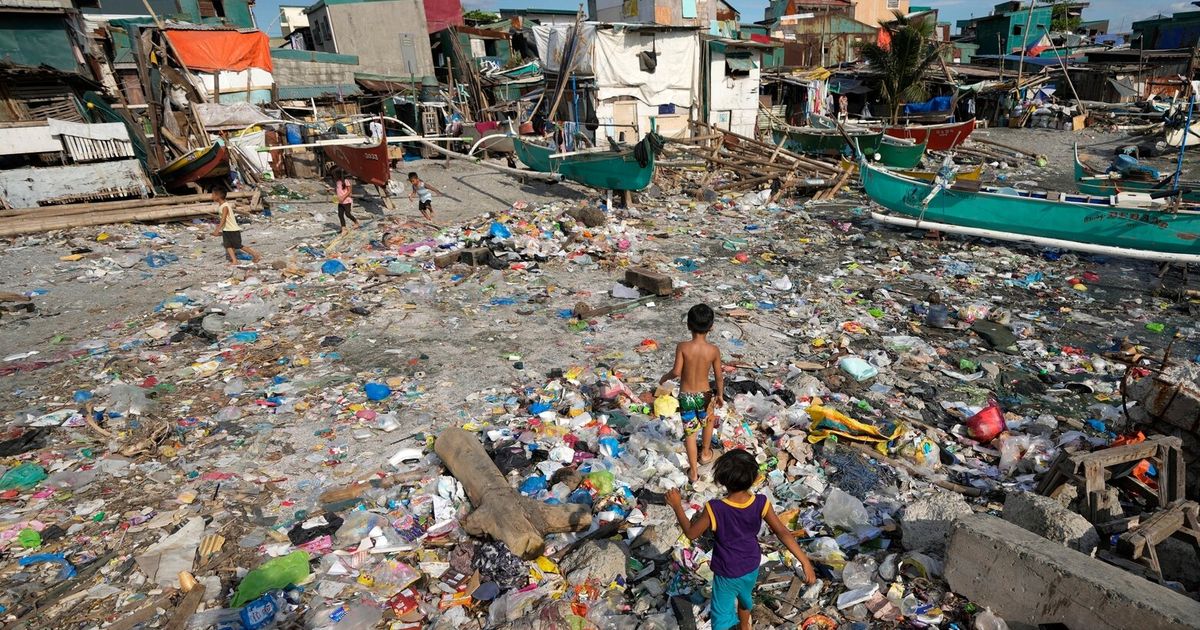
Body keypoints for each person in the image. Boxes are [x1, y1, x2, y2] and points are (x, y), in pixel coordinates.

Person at [666, 449, 817, 630]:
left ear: (721, 479)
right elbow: (783, 532)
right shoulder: (761, 502)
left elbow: (691, 533)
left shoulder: (715, 508)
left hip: (727, 572)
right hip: (751, 566)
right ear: (754, 478)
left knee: (721, 619)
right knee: (745, 597)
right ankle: (745, 626)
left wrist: (677, 506)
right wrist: (805, 562)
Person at [660, 304, 725, 483]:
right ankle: (705, 453)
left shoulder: (683, 347)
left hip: (686, 395)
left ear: (688, 325)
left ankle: (694, 472)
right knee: (708, 422)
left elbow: (676, 372)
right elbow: (719, 376)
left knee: (690, 433)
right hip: (705, 395)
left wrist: (664, 377)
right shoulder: (713, 350)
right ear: (711, 326)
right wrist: (720, 395)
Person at [210, 187, 260, 265]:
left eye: (212, 195)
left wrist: (217, 230)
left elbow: (223, 219)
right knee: (228, 245)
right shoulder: (222, 206)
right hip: (226, 229)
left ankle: (255, 255)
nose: (211, 196)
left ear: (217, 196)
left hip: (232, 229)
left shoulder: (225, 206)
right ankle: (234, 261)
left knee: (238, 246)